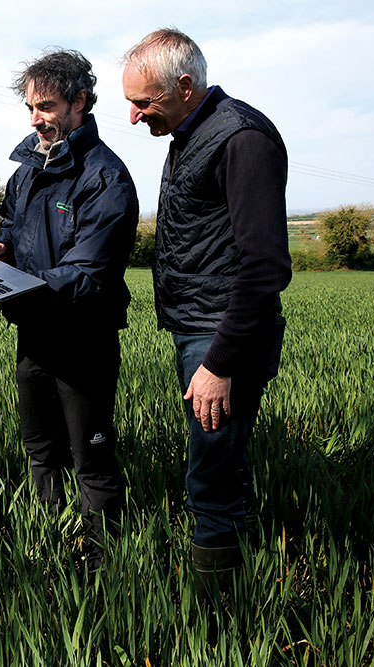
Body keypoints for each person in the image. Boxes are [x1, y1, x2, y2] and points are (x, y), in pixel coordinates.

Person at [121, 28, 292, 595]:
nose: (134, 115)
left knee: (210, 476)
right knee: (223, 463)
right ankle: (238, 584)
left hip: (223, 339)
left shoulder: (241, 138)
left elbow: (265, 266)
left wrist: (219, 363)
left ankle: (215, 620)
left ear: (185, 86)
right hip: (200, 330)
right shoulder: (191, 134)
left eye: (143, 102)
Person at [0, 50, 139, 571]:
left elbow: (88, 273)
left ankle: (101, 567)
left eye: (45, 106)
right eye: (29, 108)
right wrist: (0, 250)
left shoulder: (105, 178)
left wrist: (13, 284)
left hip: (84, 341)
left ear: (79, 102)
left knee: (91, 459)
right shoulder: (25, 172)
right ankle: (46, 545)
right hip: (34, 336)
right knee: (40, 450)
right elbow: (12, 227)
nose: (35, 119)